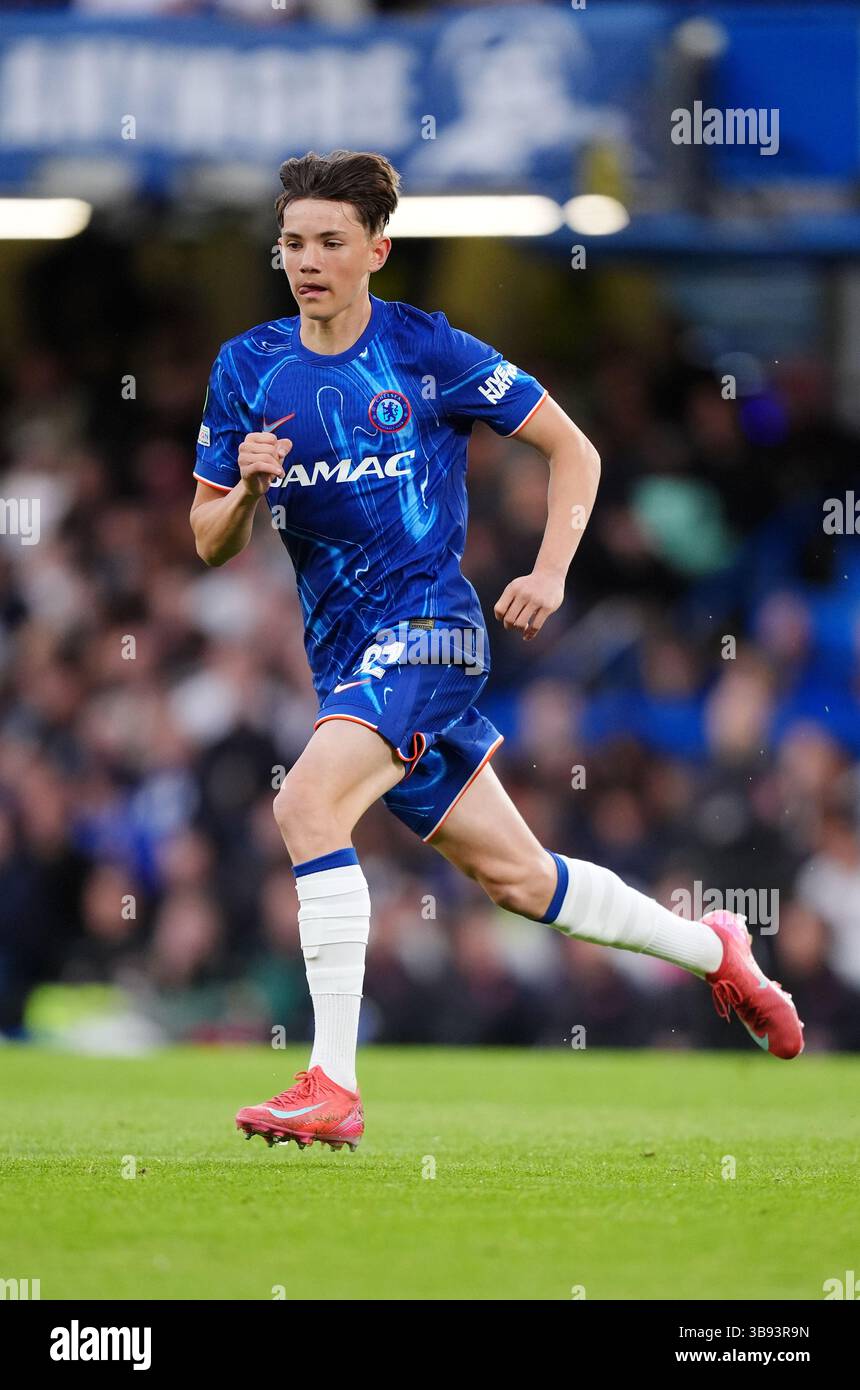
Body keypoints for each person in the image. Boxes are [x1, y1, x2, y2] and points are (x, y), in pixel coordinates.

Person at [189, 149, 803, 1153]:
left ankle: (331, 1083)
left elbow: (573, 448)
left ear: (375, 250)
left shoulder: (428, 352)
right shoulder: (247, 369)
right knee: (521, 882)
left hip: (433, 631)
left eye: (329, 242)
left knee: (303, 804)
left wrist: (552, 570)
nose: (306, 260)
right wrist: (247, 490)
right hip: (347, 664)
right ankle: (714, 948)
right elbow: (205, 542)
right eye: (292, 242)